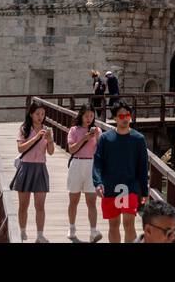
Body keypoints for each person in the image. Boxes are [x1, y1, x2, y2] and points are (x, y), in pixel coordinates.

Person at [92, 102, 149, 243]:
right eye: (121, 115)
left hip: (130, 186)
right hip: (110, 185)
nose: (125, 118)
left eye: (127, 115)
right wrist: (98, 183)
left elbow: (142, 167)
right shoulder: (105, 139)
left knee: (129, 223)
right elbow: (98, 162)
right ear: (115, 118)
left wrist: (145, 192)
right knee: (113, 224)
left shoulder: (139, 139)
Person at [11, 102, 55, 242]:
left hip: (40, 168)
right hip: (26, 167)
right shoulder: (24, 129)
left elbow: (51, 152)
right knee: (24, 204)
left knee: (40, 205)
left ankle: (40, 235)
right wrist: (36, 138)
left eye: (42, 114)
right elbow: (20, 149)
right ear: (31, 114)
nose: (40, 117)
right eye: (37, 114)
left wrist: (50, 140)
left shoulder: (47, 130)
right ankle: (22, 232)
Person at [64, 105, 103, 243]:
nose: (89, 119)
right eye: (87, 116)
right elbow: (71, 149)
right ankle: (72, 227)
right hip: (77, 163)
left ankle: (93, 231)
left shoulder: (97, 130)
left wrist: (98, 138)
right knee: (73, 200)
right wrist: (84, 139)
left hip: (91, 165)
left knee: (91, 201)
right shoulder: (74, 130)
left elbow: (101, 151)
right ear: (81, 115)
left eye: (92, 116)